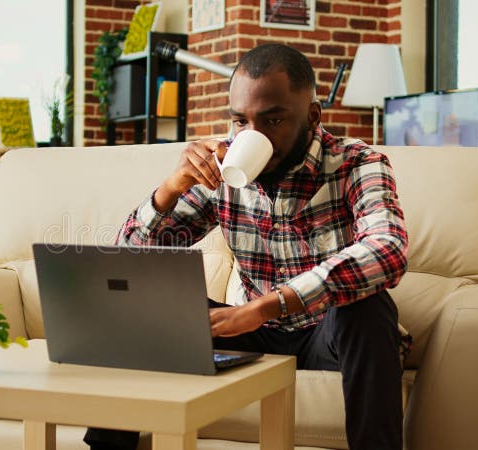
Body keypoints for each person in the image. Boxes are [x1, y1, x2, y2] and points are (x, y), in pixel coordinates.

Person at [84, 43, 410, 450]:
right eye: (241, 122)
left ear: (312, 117)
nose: (252, 135)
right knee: (144, 301)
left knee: (368, 305)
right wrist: (170, 189)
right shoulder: (223, 170)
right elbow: (129, 260)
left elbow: (387, 249)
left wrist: (267, 305)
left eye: (272, 120)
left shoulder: (357, 164)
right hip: (255, 333)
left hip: (331, 335)